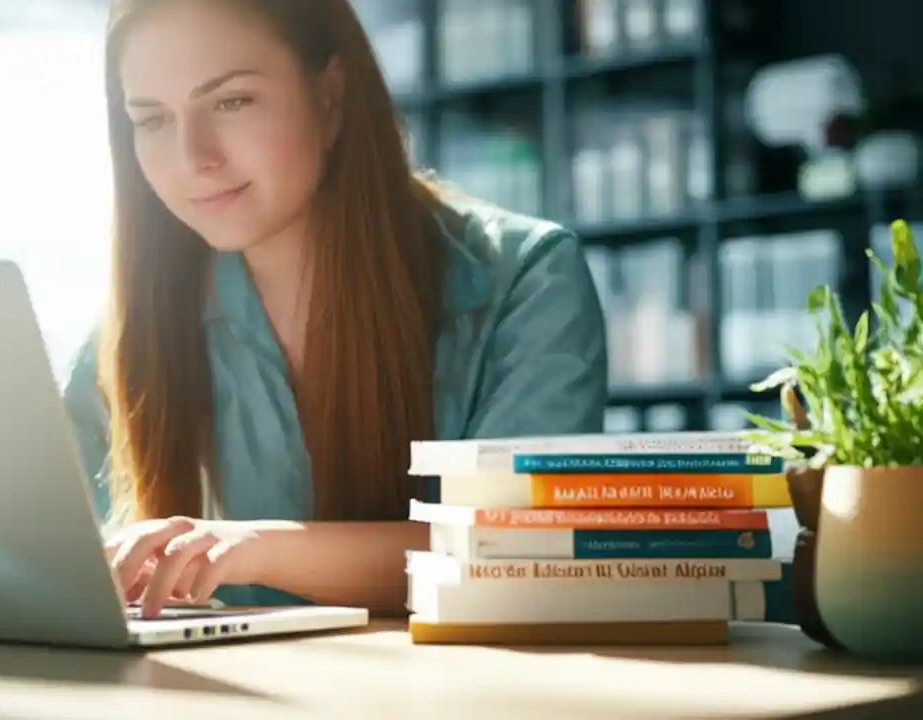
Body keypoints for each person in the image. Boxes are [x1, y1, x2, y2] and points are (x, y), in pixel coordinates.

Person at [64, 0, 608, 619]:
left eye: (231, 102)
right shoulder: (130, 334)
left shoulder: (525, 281)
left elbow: (515, 553)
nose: (193, 157)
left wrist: (255, 548)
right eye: (152, 119)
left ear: (330, 95)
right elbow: (49, 559)